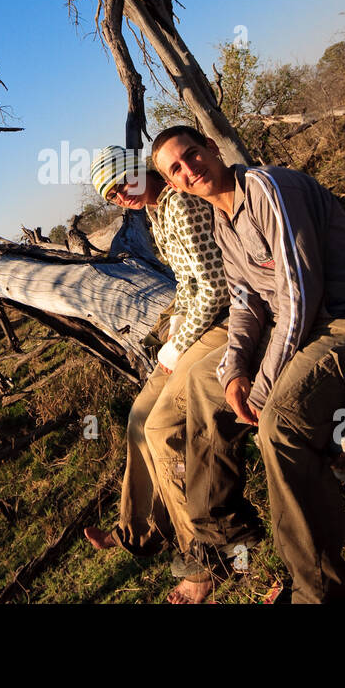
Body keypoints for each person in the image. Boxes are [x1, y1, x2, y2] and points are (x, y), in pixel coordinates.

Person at [151, 125, 345, 604]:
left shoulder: (270, 190)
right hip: (308, 327)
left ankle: (319, 592)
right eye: (176, 169)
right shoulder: (220, 220)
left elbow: (298, 294)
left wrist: (261, 385)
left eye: (193, 154)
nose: (191, 169)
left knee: (280, 424)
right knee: (206, 392)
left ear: (212, 148)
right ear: (173, 184)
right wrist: (233, 372)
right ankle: (220, 540)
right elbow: (246, 304)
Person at [81, 145, 260, 602]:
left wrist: (178, 344)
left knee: (162, 430)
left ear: (140, 170)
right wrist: (176, 325)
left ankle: (205, 559)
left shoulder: (179, 203)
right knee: (138, 418)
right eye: (112, 194)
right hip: (199, 322)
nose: (121, 195)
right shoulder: (157, 211)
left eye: (124, 182)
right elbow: (188, 283)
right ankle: (141, 531)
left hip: (226, 321)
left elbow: (218, 286)